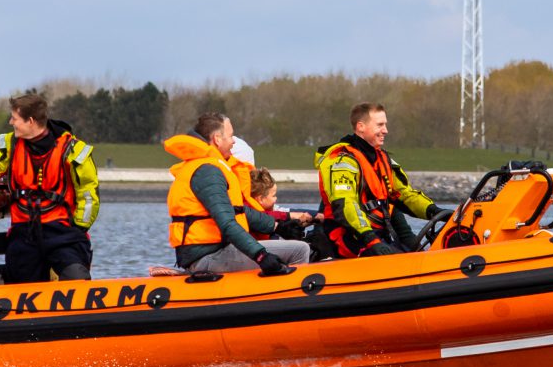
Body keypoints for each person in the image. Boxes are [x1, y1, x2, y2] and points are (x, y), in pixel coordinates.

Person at [0, 92, 100, 282]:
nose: (11, 123)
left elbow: (88, 194)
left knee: (75, 274)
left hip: (62, 232)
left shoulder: (73, 150)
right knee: (20, 281)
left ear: (30, 121)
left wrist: (78, 227)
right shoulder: (10, 144)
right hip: (24, 232)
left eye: (14, 118)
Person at [164, 113, 312, 277]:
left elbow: (238, 211)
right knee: (300, 250)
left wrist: (278, 226)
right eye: (231, 136)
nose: (234, 141)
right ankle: (288, 298)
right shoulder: (207, 172)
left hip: (212, 251)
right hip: (207, 257)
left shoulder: (206, 167)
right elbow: (227, 224)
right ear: (217, 139)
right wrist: (261, 255)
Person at [314, 101, 443, 258]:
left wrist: (434, 211)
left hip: (379, 234)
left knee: (416, 254)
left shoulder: (381, 159)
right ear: (361, 127)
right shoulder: (342, 161)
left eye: (385, 125)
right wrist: (369, 238)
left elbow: (404, 194)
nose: (386, 131)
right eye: (380, 125)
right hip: (352, 237)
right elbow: (346, 206)